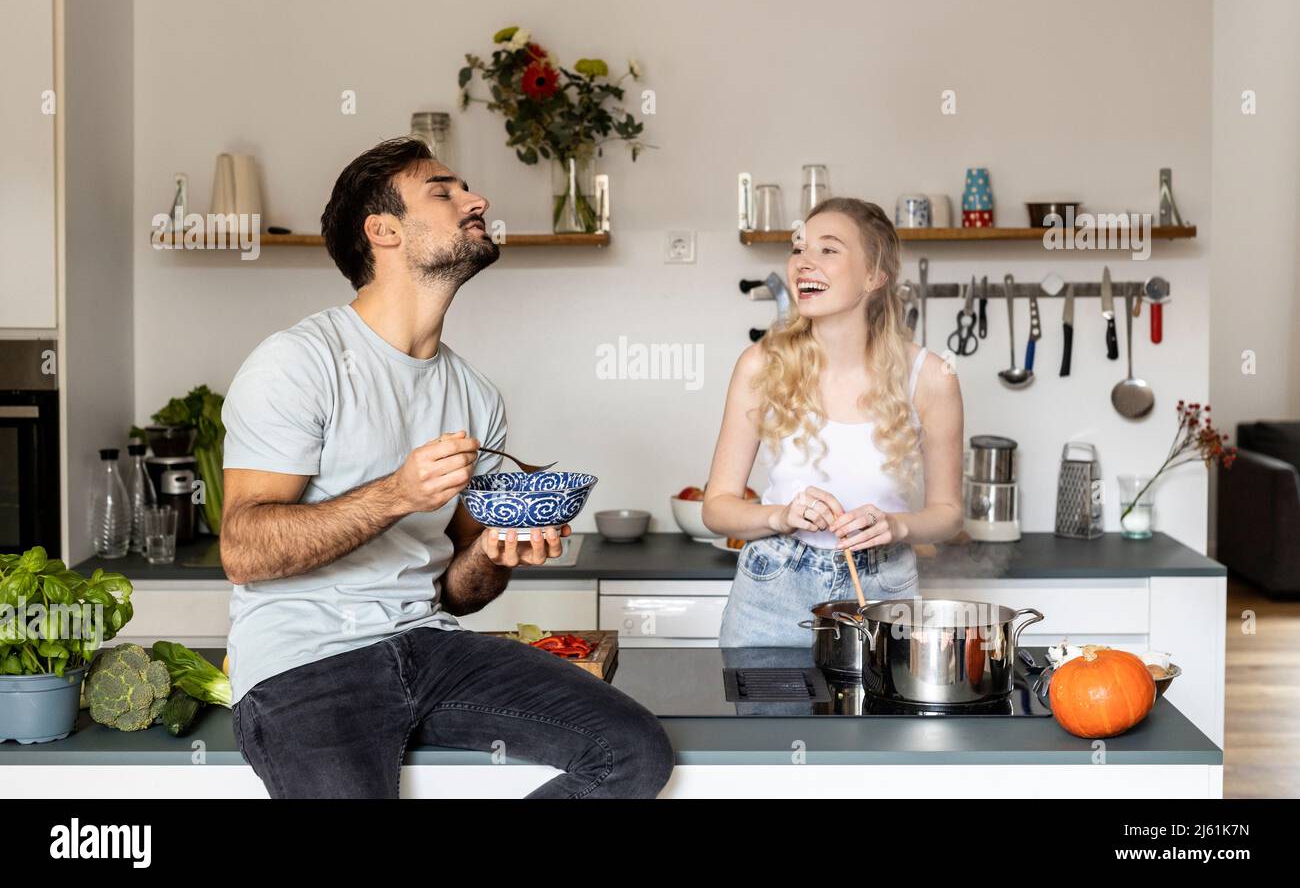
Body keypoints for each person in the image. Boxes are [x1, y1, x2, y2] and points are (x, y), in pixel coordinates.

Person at [219, 137, 674, 798]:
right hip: (306, 664)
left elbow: (460, 592)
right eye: (445, 191)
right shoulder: (300, 362)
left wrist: (498, 549)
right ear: (383, 231)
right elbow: (243, 550)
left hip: (429, 648)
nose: (477, 200)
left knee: (630, 752)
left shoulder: (475, 397)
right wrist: (396, 493)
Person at [702, 197, 964, 647]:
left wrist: (898, 527)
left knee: (879, 718)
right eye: (798, 248)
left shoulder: (931, 377)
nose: (804, 262)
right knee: (761, 718)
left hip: (884, 593)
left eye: (828, 249)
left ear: (874, 275)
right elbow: (716, 508)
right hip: (772, 589)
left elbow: (949, 514)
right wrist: (782, 516)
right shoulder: (759, 365)